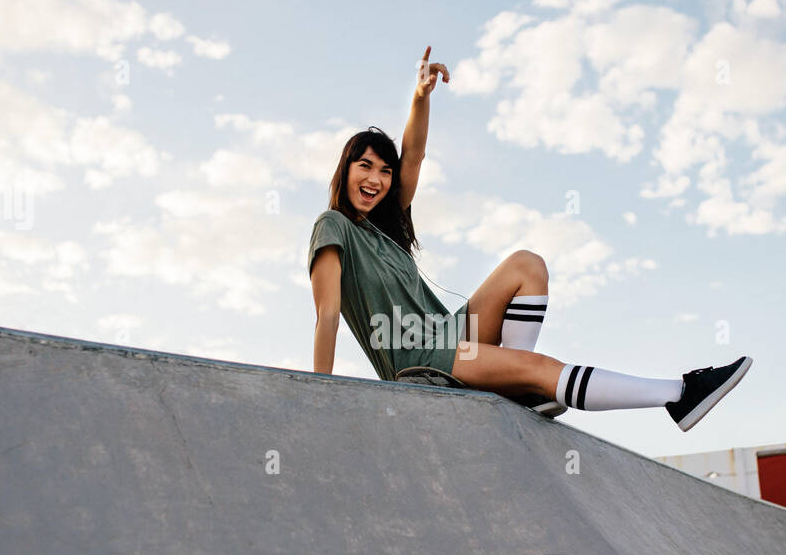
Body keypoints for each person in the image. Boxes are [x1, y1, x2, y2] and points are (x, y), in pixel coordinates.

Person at [308, 46, 751, 430]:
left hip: (445, 333)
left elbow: (415, 155)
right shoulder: (333, 227)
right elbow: (328, 314)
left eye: (384, 170)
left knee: (527, 264)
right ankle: (678, 394)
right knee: (540, 368)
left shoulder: (386, 229)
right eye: (364, 166)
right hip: (416, 359)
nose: (376, 178)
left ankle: (519, 390)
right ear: (345, 170)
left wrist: (420, 97)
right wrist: (319, 392)